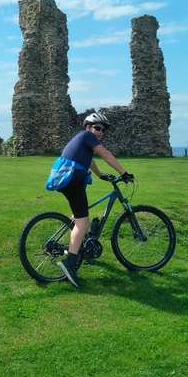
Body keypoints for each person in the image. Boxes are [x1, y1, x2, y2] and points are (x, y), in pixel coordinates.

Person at [54, 112, 133, 287]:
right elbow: (104, 154)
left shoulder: (84, 141)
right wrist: (124, 173)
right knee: (83, 221)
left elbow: (90, 162)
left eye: (102, 130)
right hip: (72, 180)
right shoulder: (86, 136)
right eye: (97, 128)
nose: (100, 132)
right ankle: (70, 263)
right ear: (88, 127)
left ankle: (78, 250)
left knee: (79, 218)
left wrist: (100, 175)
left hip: (69, 179)